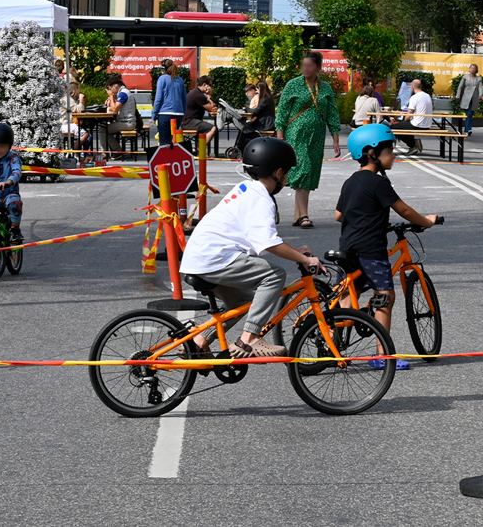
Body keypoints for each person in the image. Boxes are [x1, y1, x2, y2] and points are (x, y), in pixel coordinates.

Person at [179, 137, 323, 359]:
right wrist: (304, 259)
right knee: (274, 275)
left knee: (244, 302)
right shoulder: (261, 198)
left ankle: (199, 341)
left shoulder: (246, 188)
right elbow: (268, 242)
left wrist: (296, 251)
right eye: (286, 173)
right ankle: (249, 340)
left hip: (201, 257)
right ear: (277, 172)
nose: (286, 178)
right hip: (214, 258)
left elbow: (264, 237)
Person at [338, 123, 439, 369]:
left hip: (348, 246)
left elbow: (339, 215)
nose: (393, 155)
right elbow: (404, 210)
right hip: (371, 249)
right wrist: (427, 221)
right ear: (372, 152)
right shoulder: (379, 183)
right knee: (385, 295)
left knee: (348, 293)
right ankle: (381, 355)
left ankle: (333, 344)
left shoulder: (350, 181)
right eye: (389, 150)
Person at [276, 51, 342, 229]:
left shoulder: (325, 88)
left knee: (310, 173)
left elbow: (332, 114)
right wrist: (280, 138)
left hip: (317, 136)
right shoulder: (293, 85)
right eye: (304, 65)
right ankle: (304, 215)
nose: (306, 69)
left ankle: (297, 215)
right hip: (296, 134)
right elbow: (282, 112)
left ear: (318, 67)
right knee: (303, 169)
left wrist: (335, 139)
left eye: (310, 66)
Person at [390, 78, 433, 154]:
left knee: (394, 126)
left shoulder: (414, 97)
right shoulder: (427, 96)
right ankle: (414, 142)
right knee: (403, 126)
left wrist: (404, 120)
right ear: (421, 86)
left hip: (417, 124)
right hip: (427, 125)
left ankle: (412, 145)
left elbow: (409, 115)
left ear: (412, 87)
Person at [152, 58, 186, 145]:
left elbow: (158, 98)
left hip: (165, 114)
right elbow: (184, 99)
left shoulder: (162, 79)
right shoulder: (180, 80)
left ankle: (166, 154)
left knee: (164, 141)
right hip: (179, 114)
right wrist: (184, 114)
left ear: (164, 69)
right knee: (173, 140)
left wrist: (154, 114)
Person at [103, 74, 137, 153]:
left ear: (115, 86)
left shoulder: (123, 94)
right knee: (104, 128)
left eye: (110, 88)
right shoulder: (122, 93)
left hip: (127, 123)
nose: (110, 91)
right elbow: (114, 107)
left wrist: (111, 97)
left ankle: (112, 151)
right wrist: (112, 99)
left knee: (103, 129)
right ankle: (115, 150)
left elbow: (115, 109)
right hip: (126, 121)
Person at [182, 75, 218, 142]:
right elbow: (211, 108)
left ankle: (199, 145)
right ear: (204, 85)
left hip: (187, 121)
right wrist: (209, 95)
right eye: (210, 85)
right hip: (189, 122)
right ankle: (200, 147)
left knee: (207, 128)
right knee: (213, 128)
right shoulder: (198, 95)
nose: (211, 87)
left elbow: (212, 107)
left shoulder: (196, 92)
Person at [60, 81, 90, 149]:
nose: (80, 92)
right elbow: (79, 110)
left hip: (64, 124)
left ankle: (72, 150)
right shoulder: (67, 99)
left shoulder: (67, 98)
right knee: (85, 134)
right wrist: (81, 101)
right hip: (65, 125)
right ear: (75, 89)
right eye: (79, 89)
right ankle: (73, 151)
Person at [455, 64, 483, 135]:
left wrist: (480, 95)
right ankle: (468, 129)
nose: (472, 69)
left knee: (470, 114)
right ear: (469, 69)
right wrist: (458, 96)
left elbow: (480, 87)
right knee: (469, 114)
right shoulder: (465, 77)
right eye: (471, 68)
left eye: (474, 68)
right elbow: (460, 87)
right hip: (466, 98)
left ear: (476, 70)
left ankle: (467, 129)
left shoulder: (479, 79)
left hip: (474, 99)